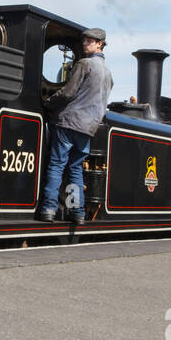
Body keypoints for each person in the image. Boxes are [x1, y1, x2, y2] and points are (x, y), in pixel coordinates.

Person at [36, 28, 113, 223]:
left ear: (100, 44)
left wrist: (47, 102)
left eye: (89, 41)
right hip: (88, 127)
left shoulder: (84, 64)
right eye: (85, 40)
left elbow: (68, 93)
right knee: (75, 169)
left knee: (56, 164)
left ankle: (49, 209)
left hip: (69, 122)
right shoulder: (108, 72)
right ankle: (76, 212)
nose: (85, 44)